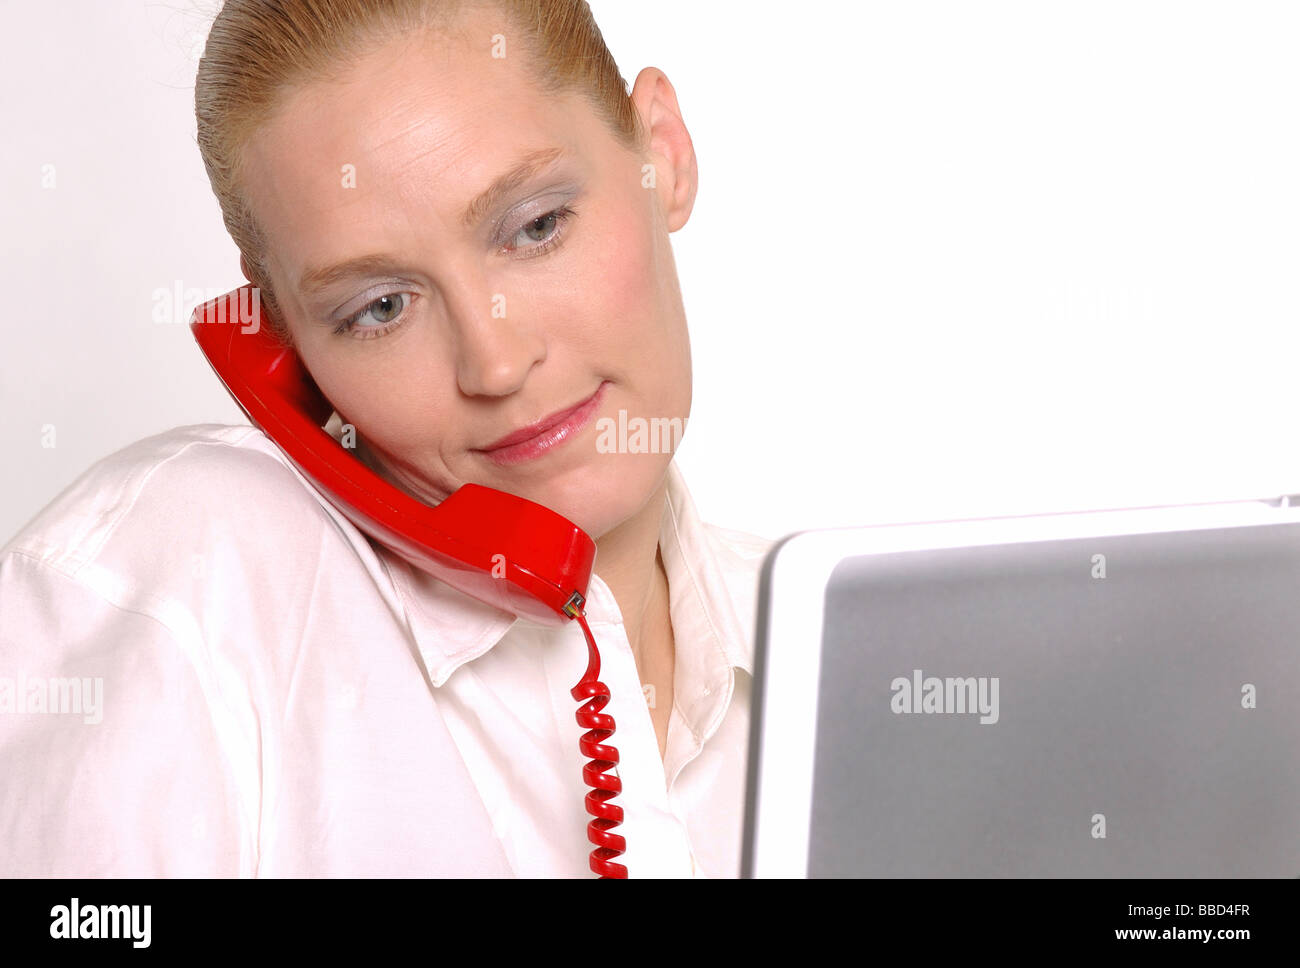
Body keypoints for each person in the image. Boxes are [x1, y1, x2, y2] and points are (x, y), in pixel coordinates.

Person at [0, 0, 773, 877]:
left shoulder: (839, 647)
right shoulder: (187, 585)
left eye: (537, 226)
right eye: (380, 307)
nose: (496, 361)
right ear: (284, 332)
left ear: (662, 152)